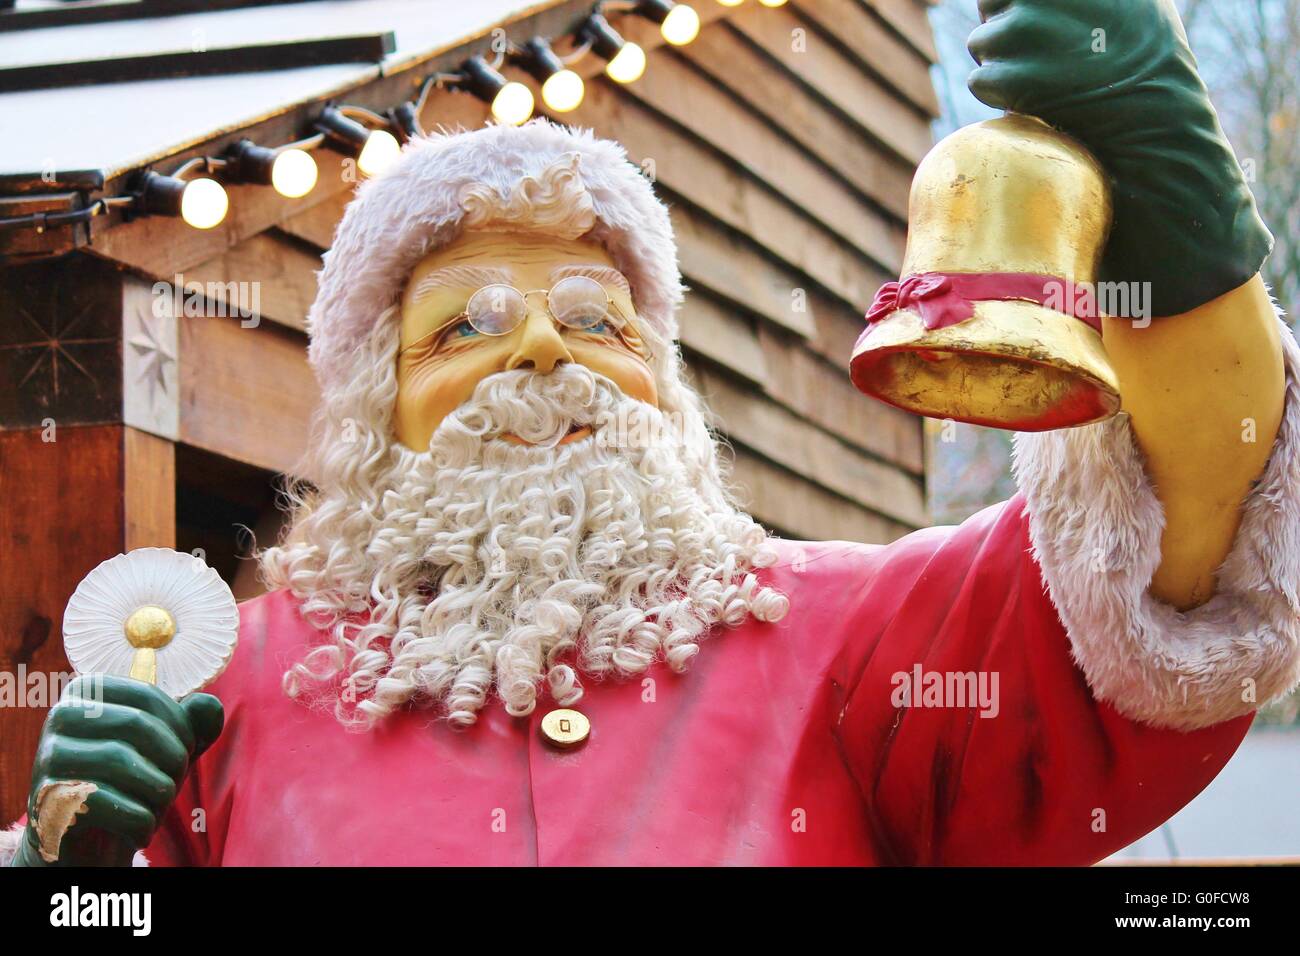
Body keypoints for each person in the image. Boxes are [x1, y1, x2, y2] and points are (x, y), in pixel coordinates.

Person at [7, 0, 1298, 866]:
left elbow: (1176, 554)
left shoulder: (851, 642)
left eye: (596, 320)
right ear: (369, 416)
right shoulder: (229, 699)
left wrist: (1182, 235)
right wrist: (64, 876)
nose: (541, 351)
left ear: (666, 394)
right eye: (466, 329)